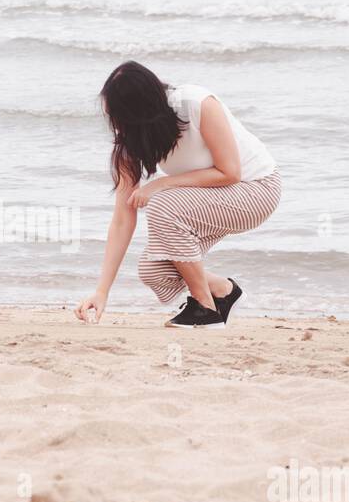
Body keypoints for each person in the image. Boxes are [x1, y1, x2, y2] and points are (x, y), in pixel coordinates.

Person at [74, 61, 281, 328]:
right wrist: (102, 291)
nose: (116, 126)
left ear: (140, 111)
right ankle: (224, 292)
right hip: (213, 198)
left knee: (162, 203)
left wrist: (163, 183)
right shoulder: (132, 141)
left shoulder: (197, 103)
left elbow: (230, 173)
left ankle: (206, 309)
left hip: (257, 190)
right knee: (153, 270)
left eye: (120, 117)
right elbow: (123, 218)